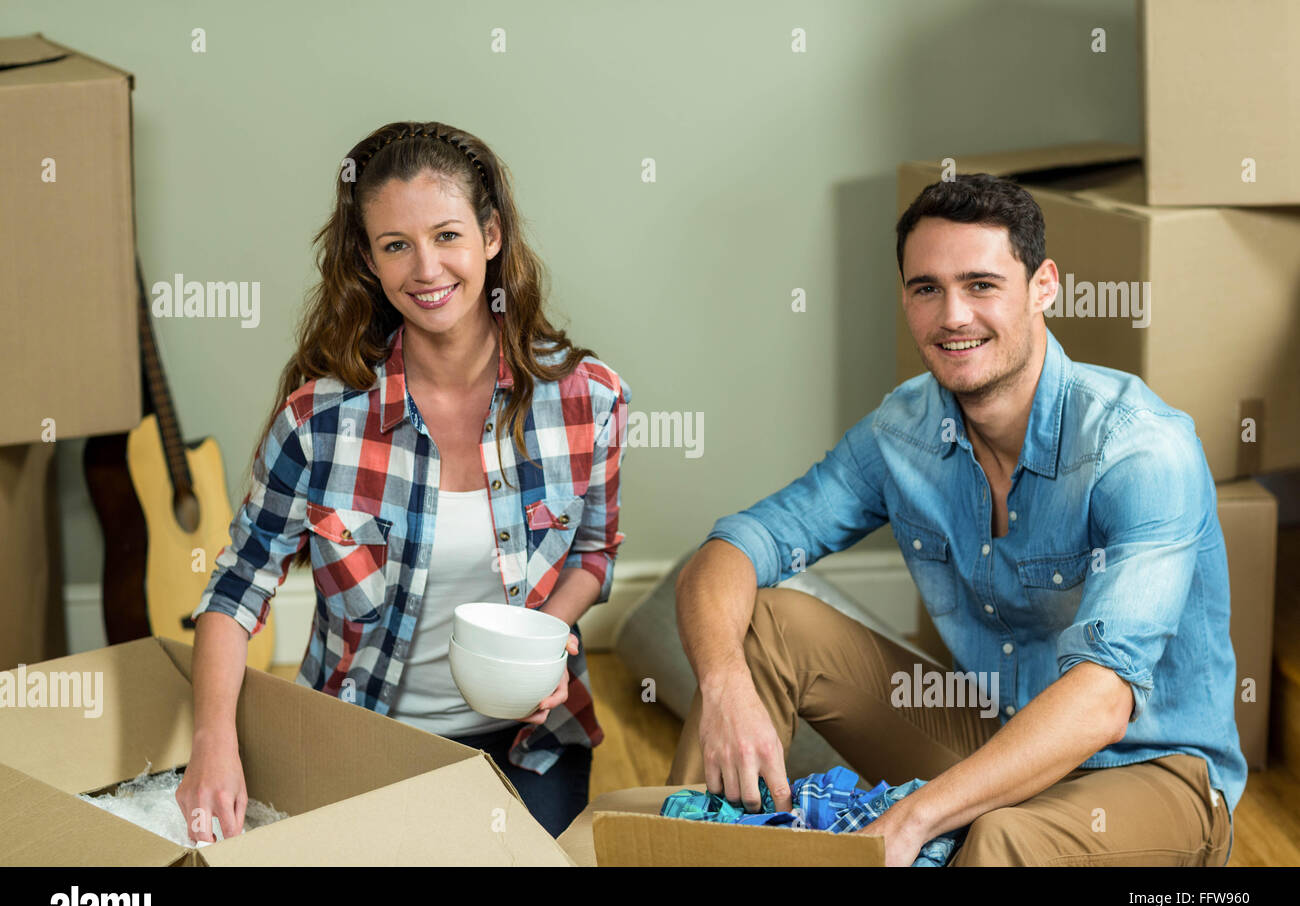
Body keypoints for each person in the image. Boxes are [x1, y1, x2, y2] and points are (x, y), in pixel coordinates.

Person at [668, 172, 1244, 866]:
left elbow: (1103, 700)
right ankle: (679, 849)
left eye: (981, 285)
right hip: (1000, 743)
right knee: (764, 624)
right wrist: (725, 682)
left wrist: (913, 819)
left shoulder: (1139, 449)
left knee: (1001, 839)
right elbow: (740, 543)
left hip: (1154, 777)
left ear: (1043, 287)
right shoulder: (903, 432)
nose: (953, 317)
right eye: (926, 289)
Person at [177, 121, 630, 840]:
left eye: (447, 235)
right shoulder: (319, 422)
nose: (426, 270)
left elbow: (595, 553)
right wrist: (213, 745)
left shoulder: (589, 400)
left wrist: (543, 640)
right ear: (368, 260)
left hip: (528, 748)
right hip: (358, 740)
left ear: (491, 235)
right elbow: (236, 589)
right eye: (396, 246)